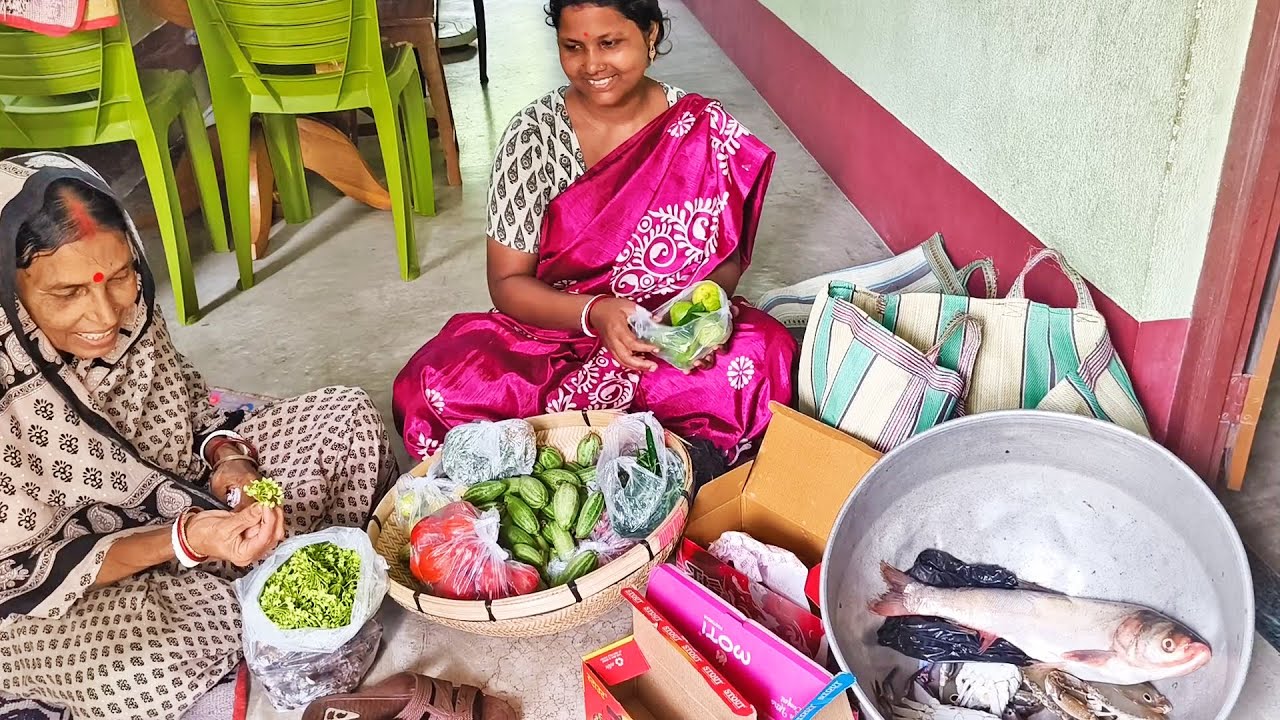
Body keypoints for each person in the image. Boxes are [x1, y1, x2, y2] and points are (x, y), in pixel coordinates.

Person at [0, 152, 398, 719]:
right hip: (60, 594)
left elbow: (188, 405)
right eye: (67, 294)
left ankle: (249, 580)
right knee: (146, 666)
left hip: (187, 502)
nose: (106, 315)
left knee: (347, 419)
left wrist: (230, 461)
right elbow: (18, 575)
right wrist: (186, 540)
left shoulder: (131, 312)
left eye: (120, 277)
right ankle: (249, 589)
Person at [393, 0, 797, 468]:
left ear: (651, 34)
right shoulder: (534, 135)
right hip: (556, 335)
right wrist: (596, 313)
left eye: (610, 43)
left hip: (663, 342)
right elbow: (507, 282)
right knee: (430, 387)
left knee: (766, 356)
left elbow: (724, 255)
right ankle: (657, 450)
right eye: (573, 47)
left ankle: (586, 448)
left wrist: (692, 324)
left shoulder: (700, 129)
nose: (592, 65)